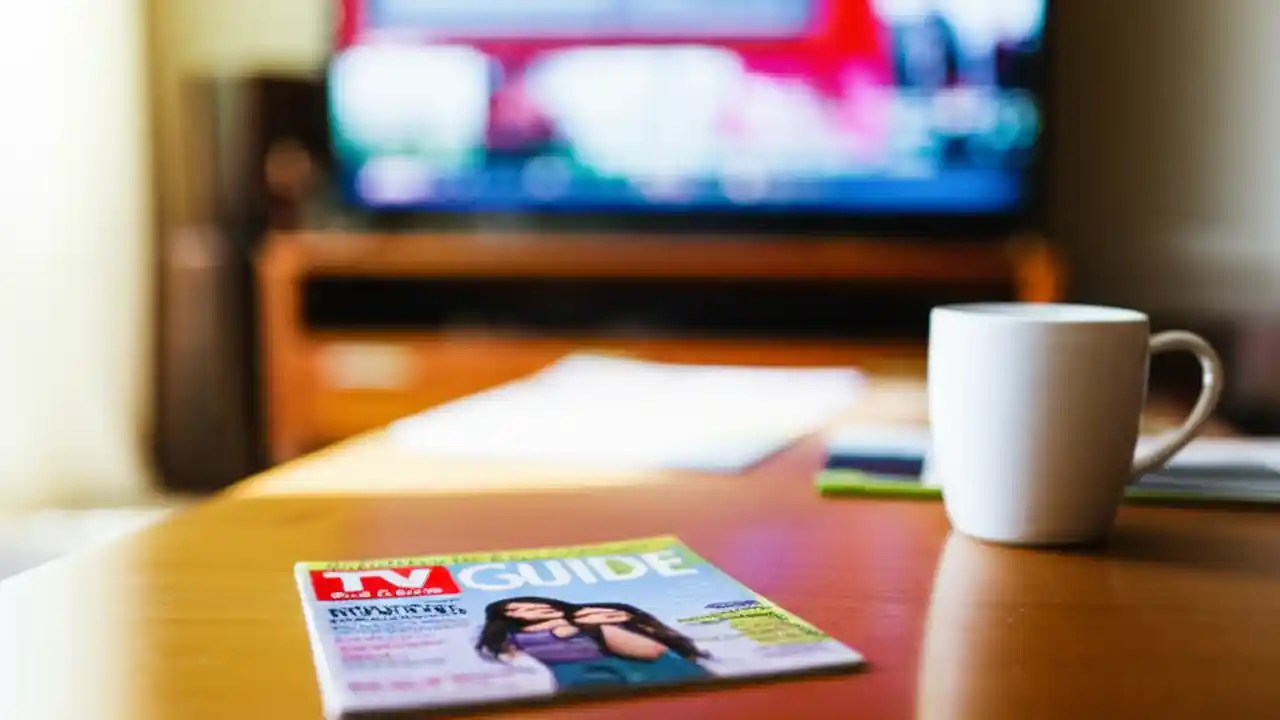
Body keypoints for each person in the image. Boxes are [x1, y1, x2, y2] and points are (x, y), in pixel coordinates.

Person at [476, 597, 710, 690]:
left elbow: (654, 651)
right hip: (583, 683)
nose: (533, 609)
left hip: (645, 674)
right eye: (518, 608)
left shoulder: (594, 627)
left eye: (533, 604)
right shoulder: (510, 642)